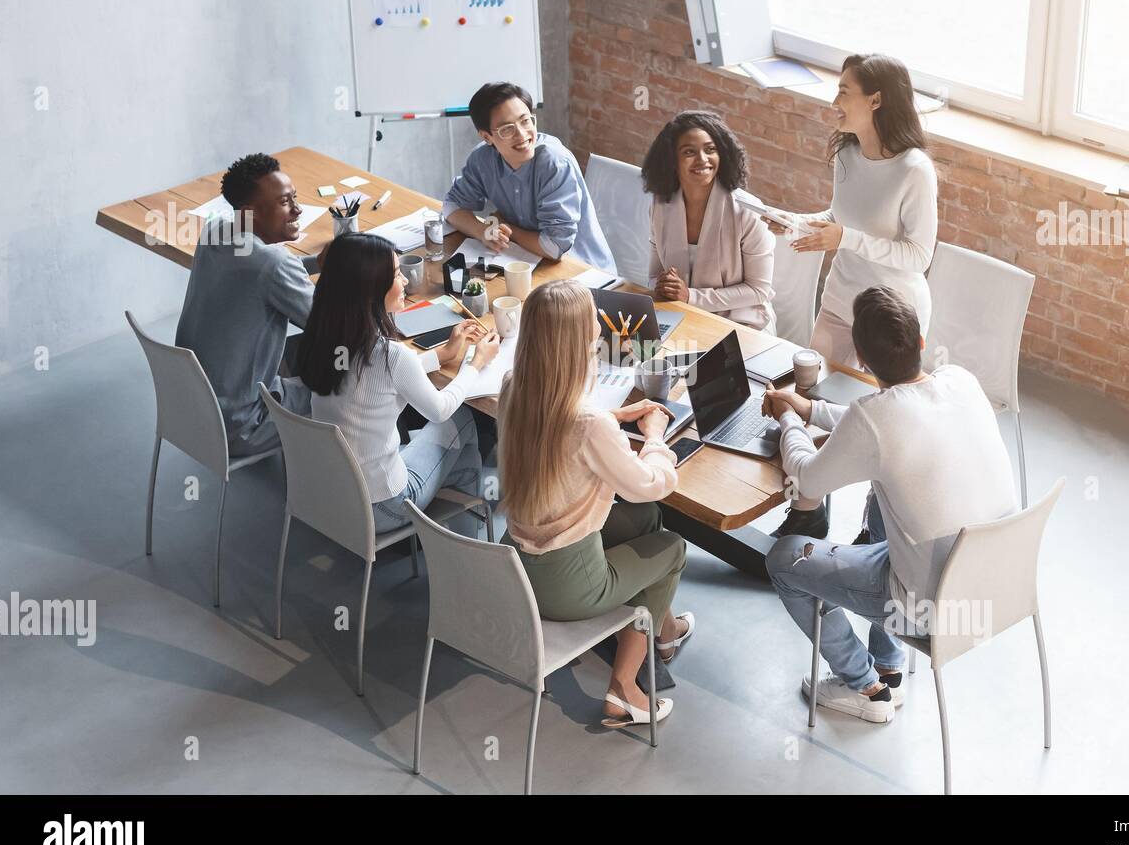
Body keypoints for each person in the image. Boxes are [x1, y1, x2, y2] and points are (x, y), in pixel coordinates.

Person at [760, 286, 1016, 723]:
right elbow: (885, 429)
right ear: (921, 343)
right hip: (997, 585)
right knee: (885, 496)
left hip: (927, 606)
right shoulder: (961, 380)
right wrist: (812, 411)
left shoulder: (874, 420)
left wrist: (786, 417)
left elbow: (807, 476)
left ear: (860, 359)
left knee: (784, 558)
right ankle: (889, 664)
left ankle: (866, 688)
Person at [497, 280, 694, 727]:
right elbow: (651, 483)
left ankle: (662, 634)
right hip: (569, 587)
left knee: (645, 521)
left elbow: (560, 428)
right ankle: (624, 688)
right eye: (592, 328)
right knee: (672, 547)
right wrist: (657, 437)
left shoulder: (514, 387)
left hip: (517, 564)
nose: (599, 335)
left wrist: (610, 419)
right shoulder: (586, 424)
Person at [765, 54, 938, 538]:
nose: (835, 100)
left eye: (844, 91)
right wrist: (793, 221)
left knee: (885, 425)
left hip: (892, 315)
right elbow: (841, 216)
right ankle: (807, 509)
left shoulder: (914, 170)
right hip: (841, 301)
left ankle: (874, 527)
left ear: (876, 100)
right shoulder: (845, 155)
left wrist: (844, 238)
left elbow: (919, 255)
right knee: (810, 397)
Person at [296, 233, 499, 533]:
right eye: (396, 274)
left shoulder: (327, 337)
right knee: (464, 419)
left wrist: (442, 353)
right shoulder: (390, 355)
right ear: (371, 289)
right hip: (384, 506)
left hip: (335, 494)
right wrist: (475, 364)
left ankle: (453, 519)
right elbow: (440, 410)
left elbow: (377, 378)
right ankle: (457, 537)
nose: (404, 281)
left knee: (464, 455)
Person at [176, 153, 316, 456]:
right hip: (243, 424)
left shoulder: (215, 231)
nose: (298, 209)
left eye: (295, 198)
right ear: (250, 213)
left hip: (195, 408)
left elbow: (262, 275)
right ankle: (371, 484)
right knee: (360, 384)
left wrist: (317, 262)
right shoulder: (274, 265)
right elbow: (332, 323)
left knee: (310, 353)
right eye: (284, 203)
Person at [441, 82, 616, 273]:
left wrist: (508, 228)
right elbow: (452, 206)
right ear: (487, 137)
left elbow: (555, 247)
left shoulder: (554, 163)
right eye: (507, 129)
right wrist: (483, 232)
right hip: (525, 260)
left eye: (525, 121)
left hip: (582, 271)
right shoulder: (482, 159)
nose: (522, 135)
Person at [641, 110, 775, 330]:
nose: (702, 159)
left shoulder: (748, 212)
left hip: (741, 324)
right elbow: (655, 275)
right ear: (672, 160)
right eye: (689, 152)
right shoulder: (660, 205)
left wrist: (690, 297)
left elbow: (758, 290)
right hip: (681, 316)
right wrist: (664, 286)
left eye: (710, 150)